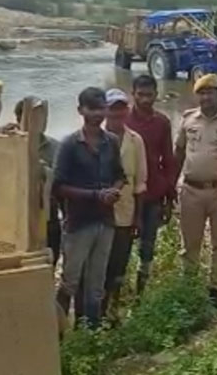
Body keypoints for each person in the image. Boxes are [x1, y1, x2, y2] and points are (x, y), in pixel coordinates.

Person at [53, 87, 125, 328]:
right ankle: (57, 330)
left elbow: (120, 175)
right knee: (70, 280)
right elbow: (59, 186)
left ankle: (91, 331)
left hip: (105, 221)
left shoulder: (111, 142)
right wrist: (95, 195)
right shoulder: (69, 145)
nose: (98, 114)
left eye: (101, 108)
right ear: (80, 111)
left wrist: (114, 191)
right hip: (78, 222)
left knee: (97, 281)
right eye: (91, 109)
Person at [76, 88, 148, 322]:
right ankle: (88, 316)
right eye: (112, 108)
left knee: (118, 265)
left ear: (127, 110)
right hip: (94, 216)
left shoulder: (136, 141)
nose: (116, 113)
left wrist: (137, 218)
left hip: (124, 214)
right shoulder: (86, 138)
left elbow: (139, 183)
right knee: (92, 268)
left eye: (121, 108)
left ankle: (112, 311)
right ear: (104, 110)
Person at [174, 74, 217, 309]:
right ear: (196, 95)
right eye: (202, 93)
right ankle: (189, 287)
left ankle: (216, 289)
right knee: (190, 243)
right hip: (191, 191)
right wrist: (171, 185)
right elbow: (178, 153)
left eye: (211, 92)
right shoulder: (188, 120)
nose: (206, 97)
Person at [125, 74, 178, 294]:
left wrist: (169, 198)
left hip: (154, 194)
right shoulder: (122, 120)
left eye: (149, 95)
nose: (145, 100)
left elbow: (168, 161)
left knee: (148, 246)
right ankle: (116, 293)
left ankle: (141, 292)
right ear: (133, 94)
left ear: (156, 95)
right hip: (126, 196)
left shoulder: (162, 122)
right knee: (122, 246)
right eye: (140, 95)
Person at [14, 98, 61, 265]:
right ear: (20, 119)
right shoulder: (10, 143)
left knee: (50, 261)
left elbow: (61, 184)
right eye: (34, 118)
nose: (40, 123)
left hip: (49, 216)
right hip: (18, 219)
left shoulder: (56, 147)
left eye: (43, 118)